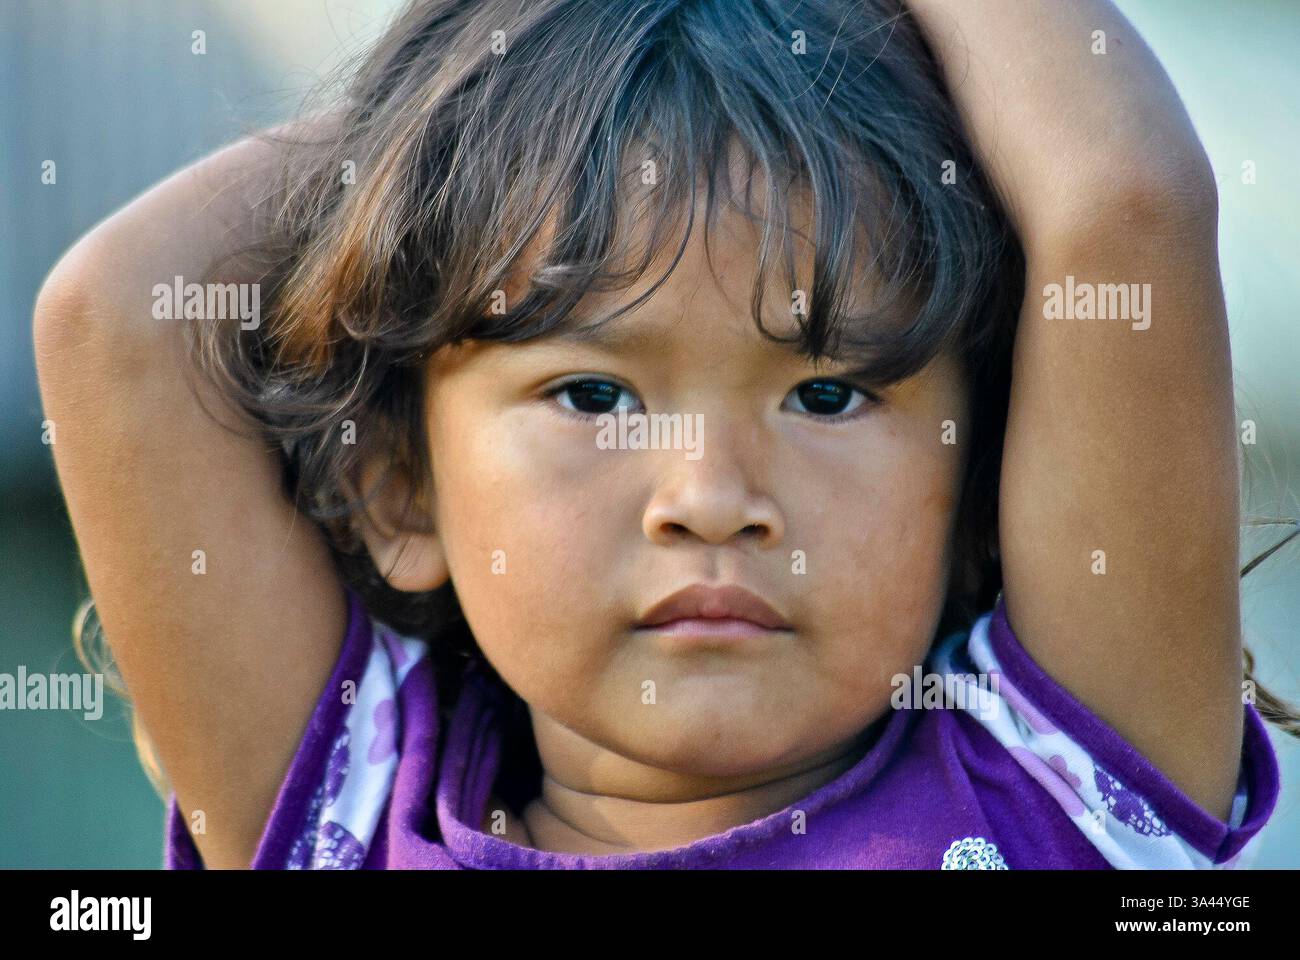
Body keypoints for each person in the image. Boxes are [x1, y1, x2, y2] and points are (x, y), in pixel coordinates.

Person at [33, 0, 1292, 869]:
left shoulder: (1056, 792)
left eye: (826, 394)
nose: (709, 496)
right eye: (593, 396)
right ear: (400, 490)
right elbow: (118, 317)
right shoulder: (344, 812)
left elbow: (1121, 206)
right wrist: (541, 55)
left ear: (977, 504)